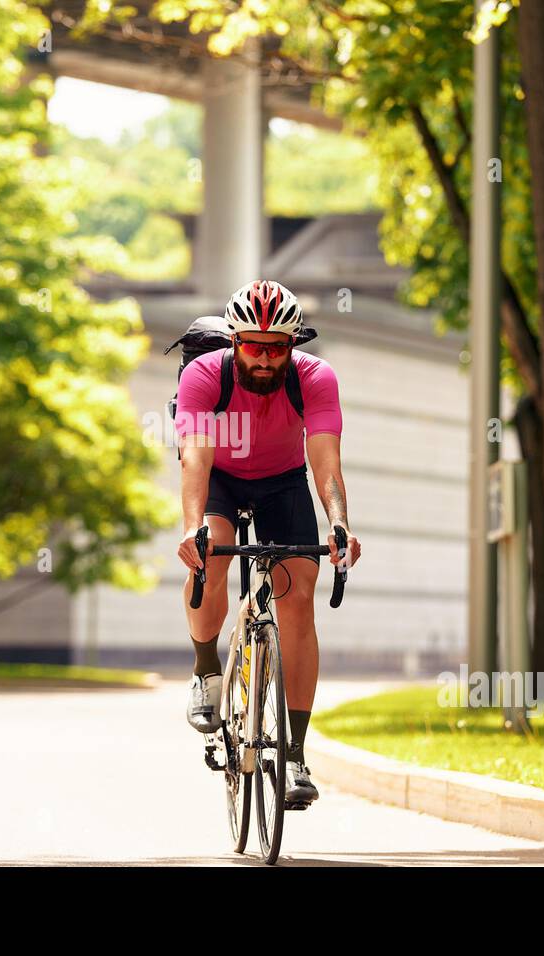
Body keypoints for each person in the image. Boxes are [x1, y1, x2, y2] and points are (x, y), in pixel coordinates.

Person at [174, 279, 361, 807]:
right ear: (234, 342)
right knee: (208, 559)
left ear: (292, 345)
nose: (264, 358)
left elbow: (326, 461)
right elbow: (195, 456)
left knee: (299, 599)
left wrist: (340, 522)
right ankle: (206, 667)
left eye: (276, 348)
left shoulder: (315, 378)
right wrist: (194, 528)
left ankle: (296, 755)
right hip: (221, 480)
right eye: (253, 346)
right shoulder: (204, 375)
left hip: (283, 483)